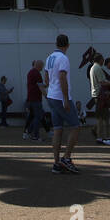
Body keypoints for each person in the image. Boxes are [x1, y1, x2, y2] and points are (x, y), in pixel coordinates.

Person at [45, 34, 80, 174]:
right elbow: (62, 77)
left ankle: (56, 163)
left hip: (51, 96)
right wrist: (66, 98)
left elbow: (46, 79)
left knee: (58, 130)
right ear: (67, 45)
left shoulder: (49, 58)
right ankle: (66, 157)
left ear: (56, 43)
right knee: (76, 126)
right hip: (60, 97)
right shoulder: (63, 58)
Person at [88, 53, 110, 143]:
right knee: (104, 117)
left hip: (96, 95)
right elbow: (102, 82)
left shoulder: (92, 68)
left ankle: (99, 135)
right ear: (100, 59)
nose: (103, 61)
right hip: (101, 95)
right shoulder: (98, 68)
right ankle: (103, 137)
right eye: (102, 59)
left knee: (100, 116)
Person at [24, 59, 45, 141]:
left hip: (30, 99)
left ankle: (28, 132)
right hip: (36, 99)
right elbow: (40, 87)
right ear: (39, 65)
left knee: (33, 117)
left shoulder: (30, 72)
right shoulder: (37, 74)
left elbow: (36, 85)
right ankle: (35, 135)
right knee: (38, 117)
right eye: (42, 66)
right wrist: (47, 96)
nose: (42, 68)